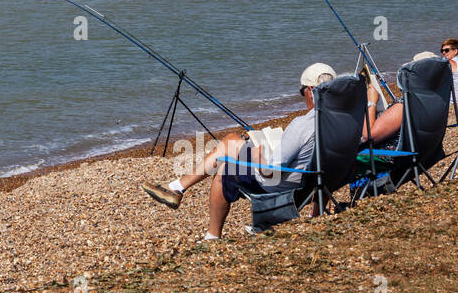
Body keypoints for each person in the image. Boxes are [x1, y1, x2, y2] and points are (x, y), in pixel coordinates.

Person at [141, 62, 333, 240]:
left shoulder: (303, 124)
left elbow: (271, 170)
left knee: (226, 163)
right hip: (317, 179)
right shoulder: (344, 122)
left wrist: (258, 160)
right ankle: (178, 187)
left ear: (310, 91)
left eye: (302, 92)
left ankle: (208, 230)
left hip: (285, 183)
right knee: (233, 144)